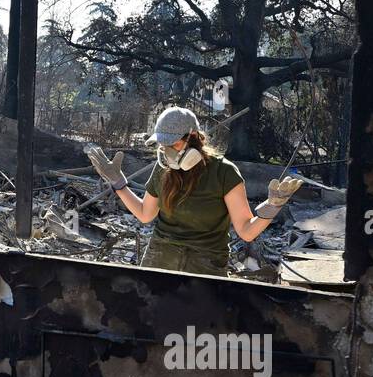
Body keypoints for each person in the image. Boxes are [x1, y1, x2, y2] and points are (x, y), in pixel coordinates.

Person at [85, 106, 303, 276]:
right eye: (162, 146)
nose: (167, 152)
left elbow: (246, 231)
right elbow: (145, 214)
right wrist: (119, 184)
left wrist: (272, 207)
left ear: (194, 138)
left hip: (206, 264)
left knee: (198, 330)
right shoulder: (163, 170)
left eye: (174, 145)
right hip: (161, 258)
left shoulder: (224, 172)